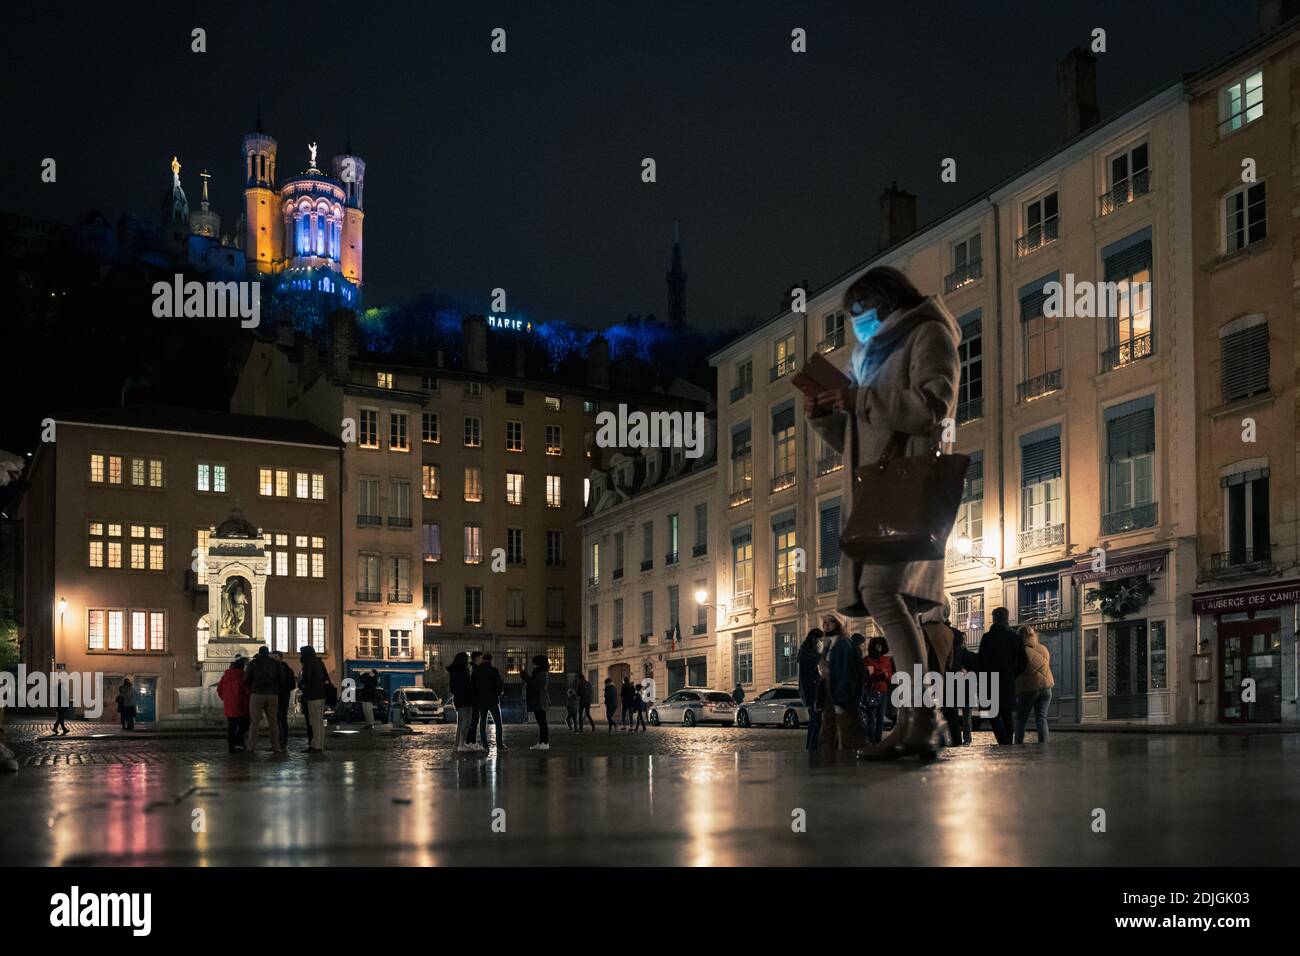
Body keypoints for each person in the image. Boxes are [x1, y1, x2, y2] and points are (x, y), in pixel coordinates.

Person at [806, 266, 959, 761]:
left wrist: (860, 399)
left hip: (906, 492)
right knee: (889, 601)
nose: (857, 326)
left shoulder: (927, 333)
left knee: (880, 593)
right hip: (879, 497)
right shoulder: (872, 354)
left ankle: (923, 718)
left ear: (887, 301)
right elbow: (862, 443)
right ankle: (916, 720)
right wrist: (830, 419)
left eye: (861, 314)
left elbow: (932, 407)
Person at [978, 607, 1028, 746]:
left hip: (990, 681)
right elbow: (1024, 663)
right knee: (1007, 714)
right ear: (1006, 618)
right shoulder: (1015, 638)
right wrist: (1013, 673)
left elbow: (981, 661)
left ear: (994, 619)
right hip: (1007, 681)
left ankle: (1003, 742)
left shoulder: (988, 637)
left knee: (993, 714)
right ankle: (1008, 743)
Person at [820, 617, 866, 753]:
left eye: (831, 621)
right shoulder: (829, 645)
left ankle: (857, 765)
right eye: (825, 622)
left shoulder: (844, 644)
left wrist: (843, 696)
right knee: (828, 732)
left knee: (850, 734)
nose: (827, 625)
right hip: (831, 693)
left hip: (841, 694)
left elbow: (848, 672)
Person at [1014, 626, 1054, 744]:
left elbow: (1018, 671)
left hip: (1029, 689)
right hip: (1047, 689)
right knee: (1042, 719)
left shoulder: (1020, 651)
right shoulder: (1043, 649)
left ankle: (1018, 743)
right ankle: (1044, 744)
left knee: (1021, 719)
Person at [244, 646, 285, 754]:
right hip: (272, 694)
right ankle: (276, 747)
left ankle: (251, 747)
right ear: (268, 653)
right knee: (273, 723)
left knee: (254, 723)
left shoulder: (253, 663)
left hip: (257, 694)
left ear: (259, 653)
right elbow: (282, 679)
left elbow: (246, 679)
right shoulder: (276, 664)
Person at [863, 636, 895, 745]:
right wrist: (878, 673)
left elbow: (890, 677)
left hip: (884, 691)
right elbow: (867, 676)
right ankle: (871, 740)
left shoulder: (886, 660)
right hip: (872, 691)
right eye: (877, 645)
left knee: (880, 717)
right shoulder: (867, 660)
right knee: (871, 717)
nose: (879, 648)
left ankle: (878, 740)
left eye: (881, 645)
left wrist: (885, 675)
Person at [298, 645, 330, 752]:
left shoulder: (309, 663)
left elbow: (306, 678)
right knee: (319, 722)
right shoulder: (319, 662)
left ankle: (315, 745)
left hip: (313, 695)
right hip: (321, 694)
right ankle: (320, 744)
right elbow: (326, 678)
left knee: (315, 722)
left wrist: (301, 682)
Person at [471, 652, 505, 750]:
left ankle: (485, 745)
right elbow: (499, 684)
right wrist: (497, 693)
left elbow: (473, 687)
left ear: (483, 660)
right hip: (492, 700)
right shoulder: (493, 670)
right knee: (498, 722)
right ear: (490, 660)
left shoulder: (476, 671)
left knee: (482, 723)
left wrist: (477, 698)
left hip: (481, 701)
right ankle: (499, 744)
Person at [217, 657, 251, 752]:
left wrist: (225, 699)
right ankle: (239, 744)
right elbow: (247, 690)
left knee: (231, 727)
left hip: (229, 706)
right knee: (243, 725)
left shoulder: (225, 676)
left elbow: (219, 689)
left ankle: (231, 746)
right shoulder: (242, 676)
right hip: (241, 705)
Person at [797, 628, 823, 751]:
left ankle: (811, 748)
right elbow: (809, 676)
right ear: (814, 640)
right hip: (812, 693)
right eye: (820, 640)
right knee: (815, 722)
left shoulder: (806, 651)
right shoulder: (808, 653)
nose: (821, 643)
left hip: (812, 692)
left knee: (814, 722)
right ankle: (812, 749)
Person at [952, 629, 978, 745]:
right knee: (966, 718)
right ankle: (967, 739)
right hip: (966, 690)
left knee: (957, 717)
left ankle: (960, 738)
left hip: (958, 690)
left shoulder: (953, 657)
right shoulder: (971, 656)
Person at [446, 652, 474, 751]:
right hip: (466, 699)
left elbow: (452, 688)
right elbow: (468, 686)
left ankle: (457, 744)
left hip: (458, 699)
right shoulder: (463, 672)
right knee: (465, 722)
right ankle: (461, 744)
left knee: (461, 722)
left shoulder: (453, 672)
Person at [522, 655, 551, 749]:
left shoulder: (542, 673)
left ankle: (545, 742)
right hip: (537, 700)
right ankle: (541, 741)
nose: (534, 666)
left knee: (542, 722)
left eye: (535, 664)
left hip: (540, 700)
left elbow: (535, 684)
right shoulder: (539, 673)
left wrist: (526, 677)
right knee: (540, 722)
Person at [273, 651, 295, 747]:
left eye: (276, 657)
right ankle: (278, 740)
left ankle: (283, 740)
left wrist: (283, 690)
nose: (274, 659)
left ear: (281, 658)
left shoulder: (287, 669)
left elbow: (292, 684)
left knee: (282, 718)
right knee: (276, 719)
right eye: (272, 657)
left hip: (282, 697)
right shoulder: (272, 669)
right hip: (276, 696)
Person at [465, 651, 483, 748]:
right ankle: (471, 742)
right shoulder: (475, 670)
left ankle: (471, 741)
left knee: (473, 721)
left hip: (473, 699)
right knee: (473, 721)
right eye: (480, 658)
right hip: (474, 700)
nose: (481, 659)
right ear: (476, 658)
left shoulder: (471, 669)